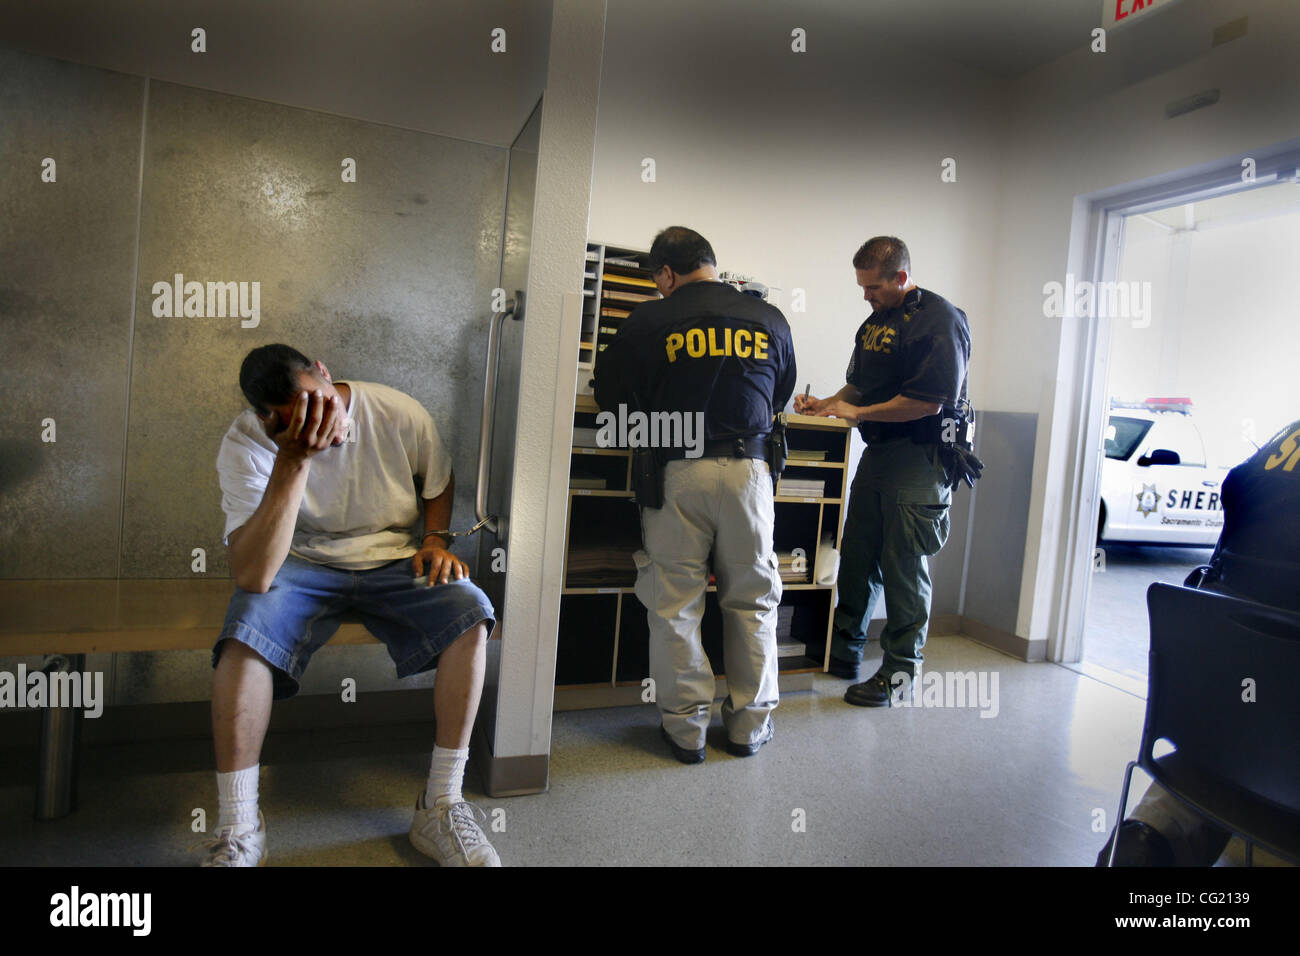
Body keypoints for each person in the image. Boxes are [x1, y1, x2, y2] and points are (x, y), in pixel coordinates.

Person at [205, 344, 499, 866]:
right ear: (268, 420)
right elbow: (253, 574)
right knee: (244, 632)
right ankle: (239, 824)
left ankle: (440, 804)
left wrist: (435, 540)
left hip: (392, 556)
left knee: (470, 610)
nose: (317, 423)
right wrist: (293, 459)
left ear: (324, 372)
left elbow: (438, 478)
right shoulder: (248, 441)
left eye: (318, 402)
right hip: (297, 562)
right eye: (295, 420)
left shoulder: (395, 410)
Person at [594, 227, 797, 763]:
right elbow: (779, 395)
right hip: (751, 471)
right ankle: (749, 728)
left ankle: (687, 733)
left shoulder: (648, 320)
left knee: (675, 604)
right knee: (753, 602)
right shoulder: (769, 317)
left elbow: (609, 394)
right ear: (709, 263)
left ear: (666, 273)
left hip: (677, 470)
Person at [1099, 416, 1300, 865]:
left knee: (1225, 754)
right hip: (1279, 753)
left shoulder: (1282, 443)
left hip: (1219, 729)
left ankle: (1147, 837)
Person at [795, 236, 972, 707]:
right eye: (862, 287)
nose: (866, 296)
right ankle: (844, 652)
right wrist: (827, 404)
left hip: (921, 457)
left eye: (873, 287)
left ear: (901, 276)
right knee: (857, 557)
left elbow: (926, 402)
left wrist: (857, 414)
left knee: (904, 568)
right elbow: (858, 386)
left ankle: (899, 675)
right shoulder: (876, 322)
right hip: (879, 453)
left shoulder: (940, 321)